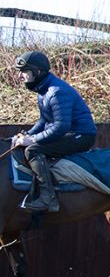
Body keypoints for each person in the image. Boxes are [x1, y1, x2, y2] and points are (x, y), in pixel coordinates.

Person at [10, 51, 97, 213]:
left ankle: (47, 198)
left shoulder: (56, 91)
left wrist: (32, 140)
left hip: (81, 136)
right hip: (68, 133)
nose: (20, 76)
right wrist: (27, 134)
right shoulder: (44, 90)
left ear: (37, 71)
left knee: (32, 150)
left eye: (24, 71)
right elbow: (44, 120)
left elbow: (61, 126)